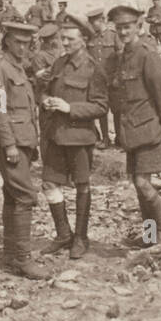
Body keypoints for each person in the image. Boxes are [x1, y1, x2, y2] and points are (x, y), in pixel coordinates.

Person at [106, 4, 161, 244]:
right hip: (131, 134)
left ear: (138, 27)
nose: (123, 32)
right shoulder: (122, 57)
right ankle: (150, 236)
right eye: (119, 28)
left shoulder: (147, 56)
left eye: (127, 27)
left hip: (149, 131)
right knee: (139, 188)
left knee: (143, 184)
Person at [0, 20, 49, 279]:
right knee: (25, 196)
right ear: (6, 40)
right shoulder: (0, 69)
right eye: (18, 42)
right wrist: (9, 144)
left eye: (27, 43)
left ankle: (11, 253)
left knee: (13, 196)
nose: (23, 48)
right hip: (10, 142)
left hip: (22, 140)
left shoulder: (18, 68)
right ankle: (23, 258)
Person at [40, 14, 108, 260]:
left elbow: (101, 107)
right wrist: (45, 100)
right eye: (62, 38)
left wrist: (71, 108)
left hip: (80, 137)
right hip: (56, 135)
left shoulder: (93, 69)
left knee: (82, 186)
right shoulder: (58, 64)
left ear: (84, 40)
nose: (64, 43)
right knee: (49, 183)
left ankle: (81, 237)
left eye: (69, 39)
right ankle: (63, 233)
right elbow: (45, 90)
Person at [86, 8, 118, 148]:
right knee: (101, 110)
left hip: (113, 80)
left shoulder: (113, 36)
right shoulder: (92, 38)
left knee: (117, 110)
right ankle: (105, 138)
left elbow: (121, 57)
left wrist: (117, 77)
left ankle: (120, 138)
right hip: (98, 81)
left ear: (101, 20)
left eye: (94, 23)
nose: (92, 26)